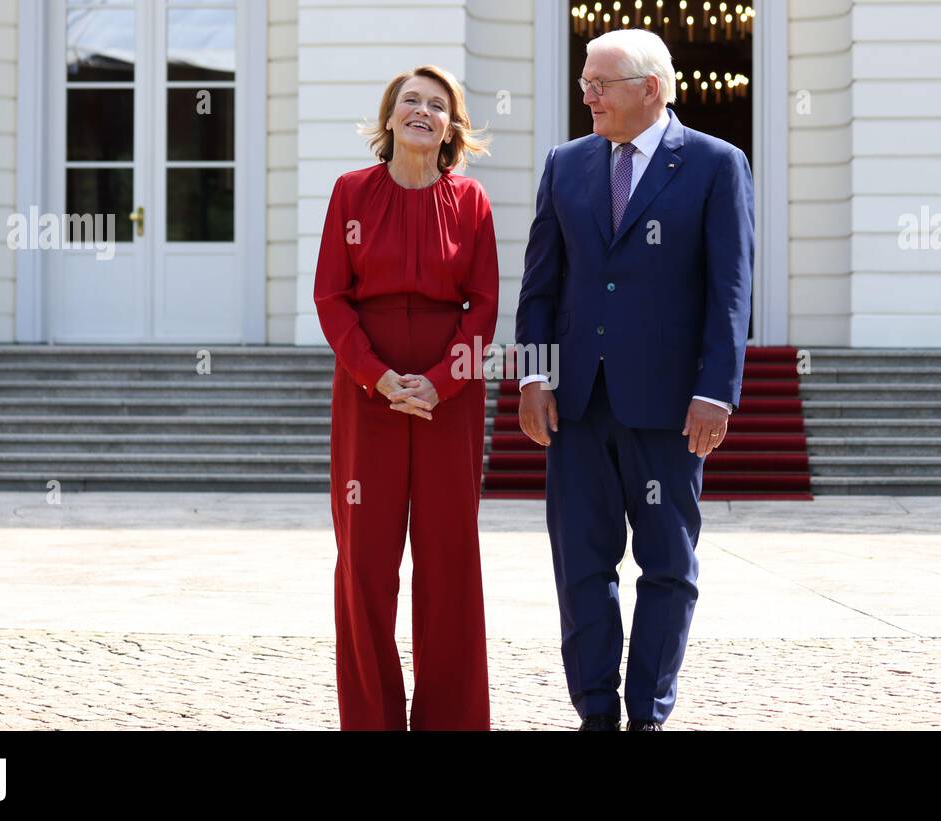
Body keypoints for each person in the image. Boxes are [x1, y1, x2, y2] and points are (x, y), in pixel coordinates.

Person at [515, 29, 754, 730]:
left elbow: (730, 289)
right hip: (577, 407)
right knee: (580, 566)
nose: (586, 93)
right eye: (585, 81)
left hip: (670, 408)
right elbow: (539, 287)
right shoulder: (566, 165)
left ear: (651, 88)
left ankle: (647, 710)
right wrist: (535, 377)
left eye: (601, 83)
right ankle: (595, 709)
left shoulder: (715, 164)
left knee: (668, 567)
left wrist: (717, 390)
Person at [314, 65, 498, 731]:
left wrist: (441, 381)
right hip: (370, 395)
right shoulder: (350, 194)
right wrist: (378, 376)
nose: (423, 111)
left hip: (449, 400)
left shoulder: (473, 203)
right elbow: (331, 296)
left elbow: (484, 307)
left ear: (451, 127)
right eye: (411, 102)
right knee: (364, 565)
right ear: (389, 117)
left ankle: (451, 720)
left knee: (450, 561)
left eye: (437, 105)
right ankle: (372, 720)